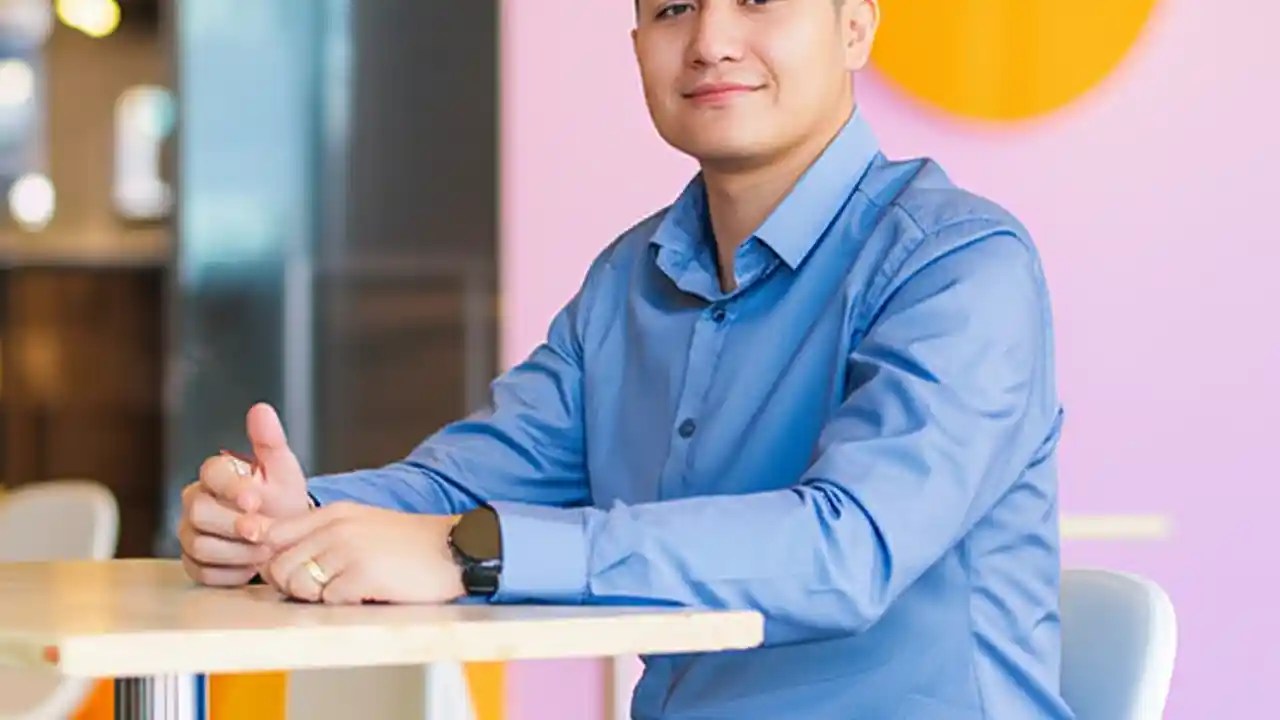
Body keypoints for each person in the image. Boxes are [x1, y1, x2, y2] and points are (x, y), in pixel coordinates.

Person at [177, 1, 1073, 717]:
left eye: (757, 0)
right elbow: (471, 484)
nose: (712, 40)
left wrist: (470, 554)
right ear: (638, 42)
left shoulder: (959, 264)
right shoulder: (631, 282)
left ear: (855, 24)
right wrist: (292, 522)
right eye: (674, 7)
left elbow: (848, 551)